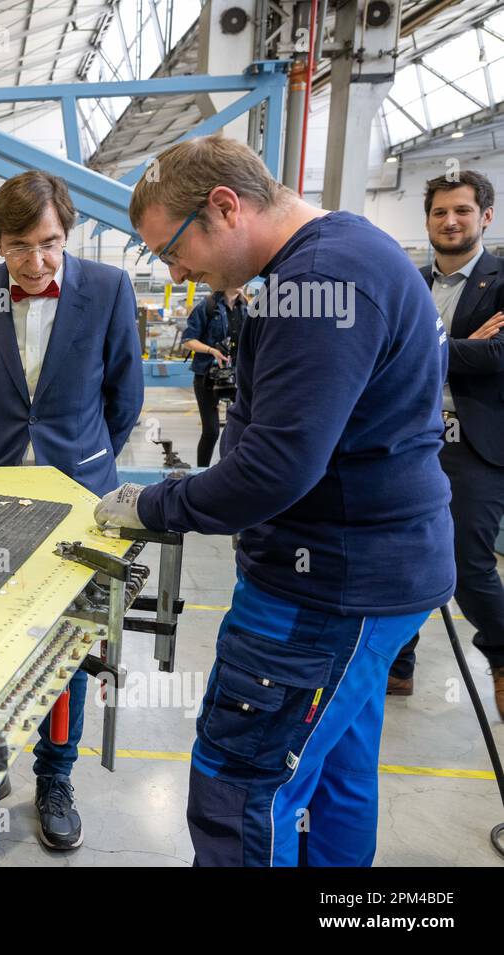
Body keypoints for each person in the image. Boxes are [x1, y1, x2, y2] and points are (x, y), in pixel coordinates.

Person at [96, 135, 453, 866]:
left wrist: (151, 506)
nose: (178, 272)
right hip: (373, 575)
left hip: (323, 591)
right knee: (334, 777)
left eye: (172, 249)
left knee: (243, 786)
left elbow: (273, 469)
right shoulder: (340, 255)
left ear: (223, 207)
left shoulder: (320, 281)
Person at [0, 170, 144, 851]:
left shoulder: (109, 289)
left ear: (70, 232)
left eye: (49, 243)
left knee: (68, 647)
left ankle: (56, 775)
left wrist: (82, 465)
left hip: (82, 503)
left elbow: (125, 399)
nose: (36, 262)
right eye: (18, 247)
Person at [386, 171, 504, 716]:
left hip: (474, 443)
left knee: (467, 562)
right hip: (409, 436)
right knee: (399, 555)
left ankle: (501, 656)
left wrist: (429, 349)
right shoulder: (406, 281)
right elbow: (381, 355)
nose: (450, 221)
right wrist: (459, 348)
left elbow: (498, 357)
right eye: (439, 212)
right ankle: (398, 664)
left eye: (461, 211)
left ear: (485, 217)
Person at [181, 287, 247, 466]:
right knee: (211, 431)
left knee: (240, 429)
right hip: (207, 377)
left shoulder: (247, 308)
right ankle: (201, 473)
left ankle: (230, 471)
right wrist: (212, 351)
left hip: (237, 377)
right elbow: (188, 340)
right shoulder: (208, 306)